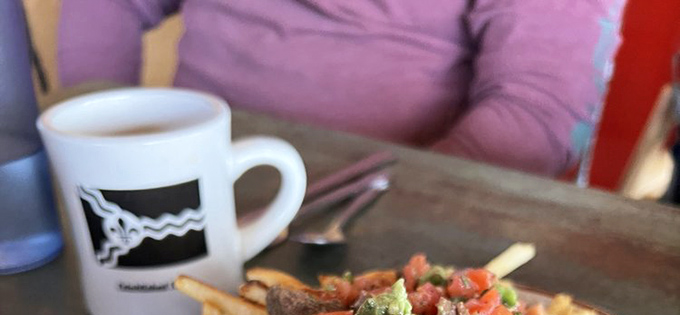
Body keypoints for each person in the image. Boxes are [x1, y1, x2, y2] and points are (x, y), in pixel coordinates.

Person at [58, 0, 626, 177]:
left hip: (391, 201)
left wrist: (379, 211)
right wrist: (95, 142)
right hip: (183, 172)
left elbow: (537, 112)